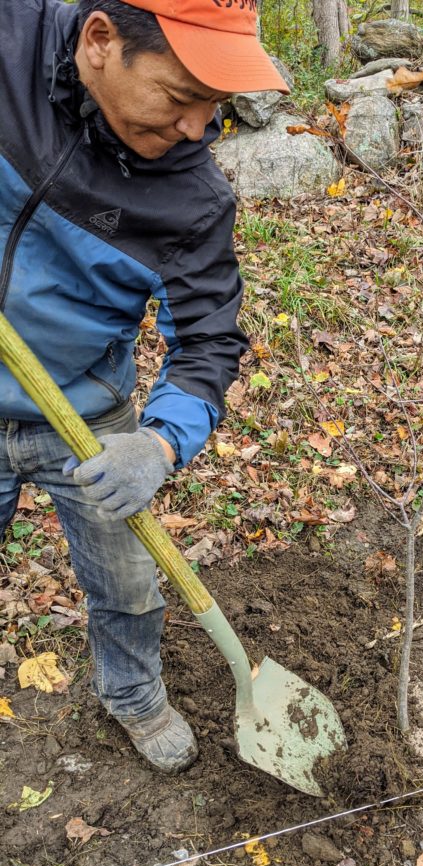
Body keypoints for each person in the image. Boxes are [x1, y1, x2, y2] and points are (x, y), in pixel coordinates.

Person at [0, 0, 288, 771]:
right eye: (181, 95)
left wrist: (157, 445)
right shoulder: (8, 47)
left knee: (128, 586)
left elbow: (209, 342)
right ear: (101, 40)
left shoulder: (191, 199)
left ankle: (132, 694)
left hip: (89, 420)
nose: (197, 128)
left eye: (215, 107)